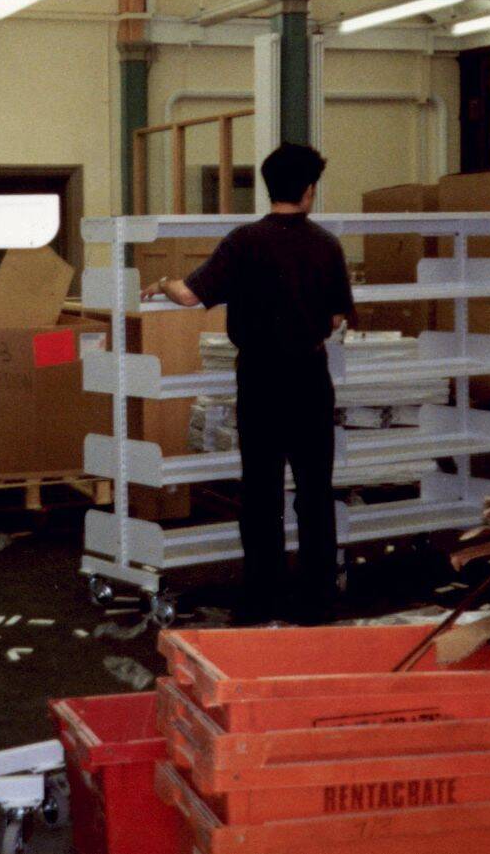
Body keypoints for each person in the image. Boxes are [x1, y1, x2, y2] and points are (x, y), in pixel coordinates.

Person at [141, 143, 354, 626]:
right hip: (309, 377)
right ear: (308, 190)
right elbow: (338, 314)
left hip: (259, 378)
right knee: (315, 490)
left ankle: (261, 599)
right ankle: (319, 600)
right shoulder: (326, 244)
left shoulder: (243, 241)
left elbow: (191, 294)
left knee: (260, 492)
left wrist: (163, 281)